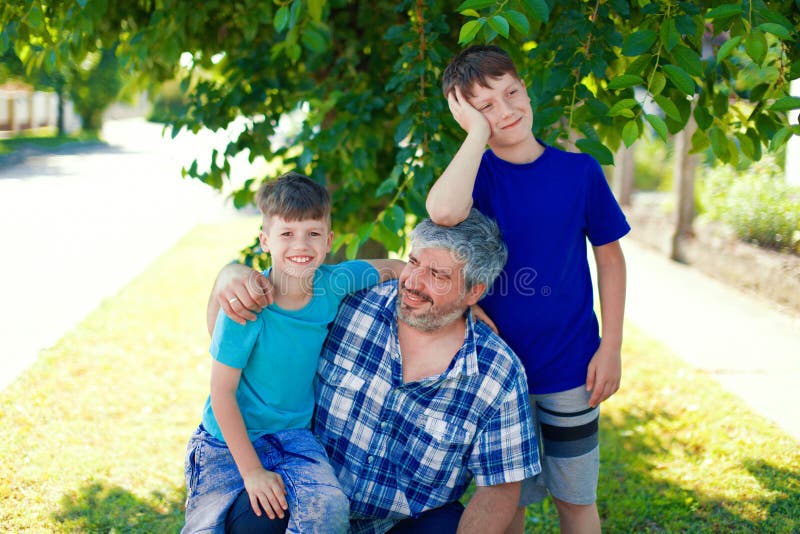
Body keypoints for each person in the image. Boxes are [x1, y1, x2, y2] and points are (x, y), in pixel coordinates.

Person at [210, 209, 541, 533]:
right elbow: (233, 325)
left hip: (402, 523)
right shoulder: (349, 304)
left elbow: (500, 487)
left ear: (474, 291)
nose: (413, 282)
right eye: (413, 263)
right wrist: (229, 277)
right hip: (304, 494)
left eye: (437, 275)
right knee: (261, 515)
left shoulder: (498, 374)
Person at [426, 45, 630, 534]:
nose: (506, 110)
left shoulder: (578, 173)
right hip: (495, 374)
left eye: (511, 93)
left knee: (575, 500)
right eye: (485, 107)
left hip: (570, 368)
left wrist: (613, 346)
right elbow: (443, 214)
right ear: (467, 119)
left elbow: (610, 260)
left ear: (526, 88)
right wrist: (477, 137)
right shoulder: (476, 180)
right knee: (504, 503)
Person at [183, 172, 404, 534]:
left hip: (295, 436)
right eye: (287, 234)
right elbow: (221, 393)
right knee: (206, 528)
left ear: (329, 240)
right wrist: (252, 472)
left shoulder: (335, 283)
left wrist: (459, 299)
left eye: (313, 234)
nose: (301, 245)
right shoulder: (246, 303)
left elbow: (395, 268)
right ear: (265, 241)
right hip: (225, 440)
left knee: (330, 507)